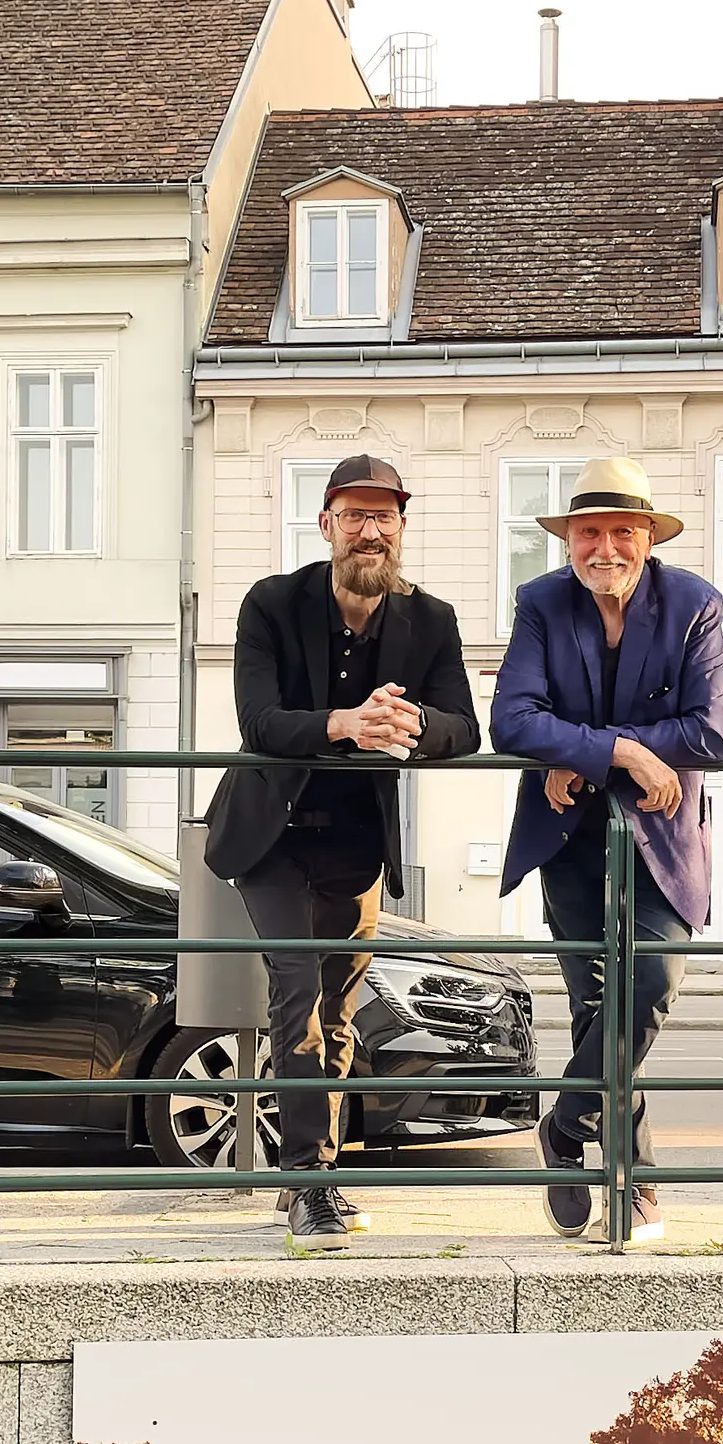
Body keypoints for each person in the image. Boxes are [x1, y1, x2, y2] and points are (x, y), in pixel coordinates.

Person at [205, 454, 480, 1246]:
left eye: (383, 515)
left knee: (337, 1010)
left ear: (401, 526)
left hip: (359, 840)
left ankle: (319, 1174)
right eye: (353, 515)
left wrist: (411, 727)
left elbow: (465, 728)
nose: (369, 530)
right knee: (295, 997)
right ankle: (306, 1186)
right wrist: (344, 723)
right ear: (325, 524)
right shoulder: (271, 604)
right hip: (271, 834)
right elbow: (258, 723)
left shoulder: (430, 619)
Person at [491, 456, 723, 1244]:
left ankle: (564, 1127)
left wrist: (591, 748)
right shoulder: (540, 602)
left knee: (650, 983)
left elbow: (712, 731)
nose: (605, 546)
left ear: (647, 537)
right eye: (588, 531)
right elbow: (512, 721)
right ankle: (632, 1184)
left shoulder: (693, 604)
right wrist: (625, 754)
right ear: (568, 539)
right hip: (565, 832)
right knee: (597, 1004)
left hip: (661, 833)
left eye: (622, 531)